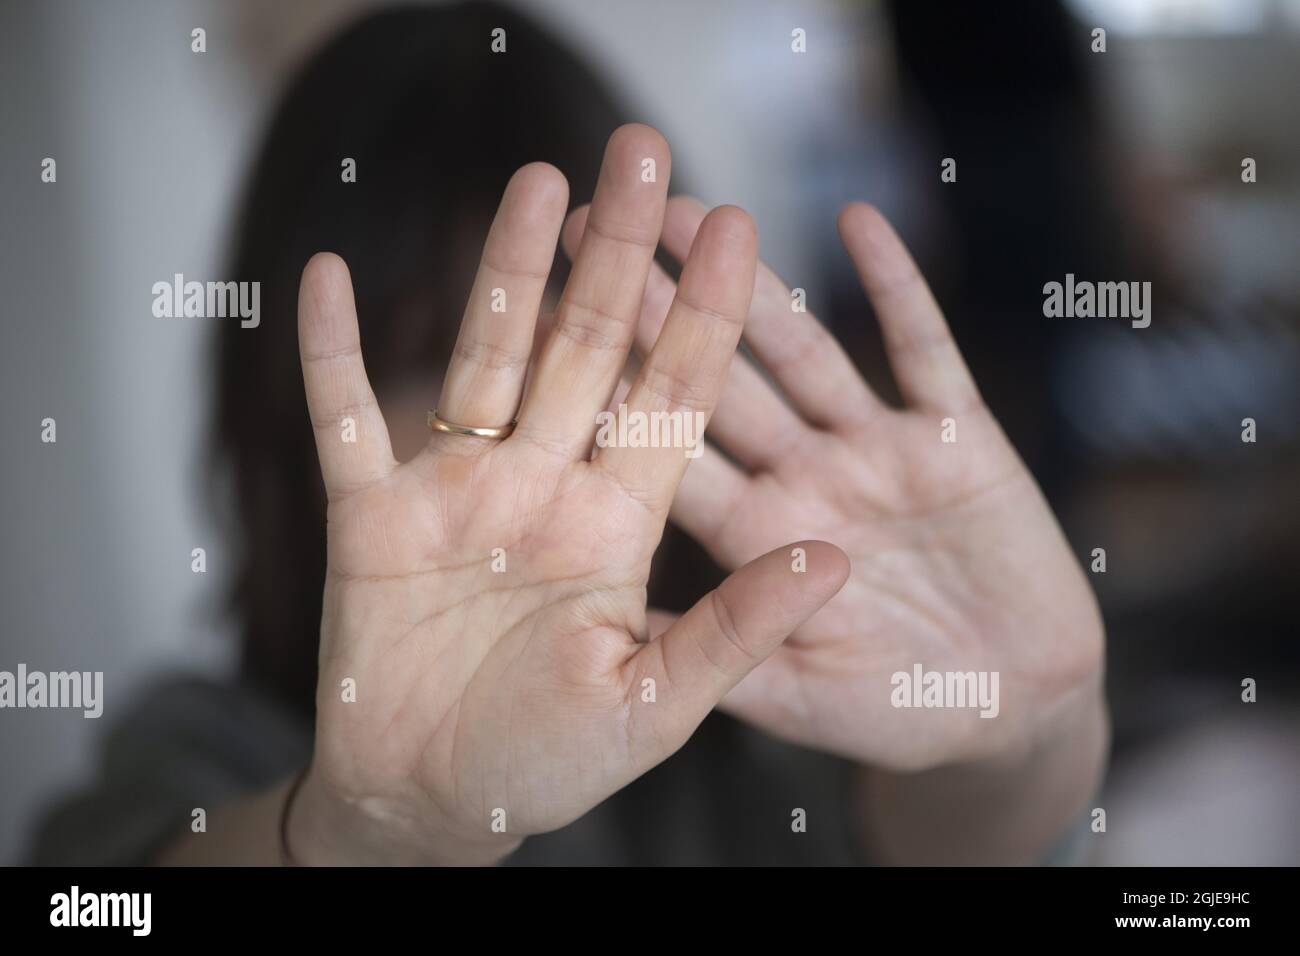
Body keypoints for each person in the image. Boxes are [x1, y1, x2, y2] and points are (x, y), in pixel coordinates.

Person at [30, 3, 1106, 866]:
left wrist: (1025, 732)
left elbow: (935, 834)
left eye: (587, 333)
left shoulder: (765, 703)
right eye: (428, 356)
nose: (536, 415)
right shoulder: (206, 745)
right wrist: (366, 834)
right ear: (281, 406)